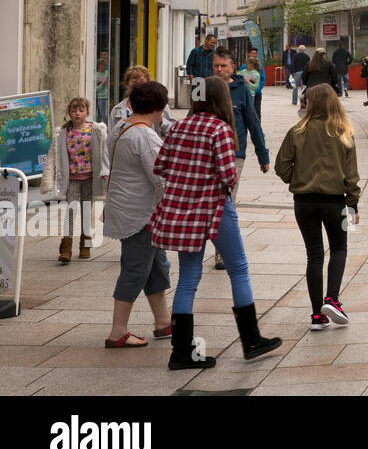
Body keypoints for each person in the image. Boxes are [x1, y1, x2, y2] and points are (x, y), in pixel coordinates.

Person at [151, 76, 282, 370]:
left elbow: (160, 165)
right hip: (214, 208)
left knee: (188, 277)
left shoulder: (178, 126)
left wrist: (185, 177)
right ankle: (251, 340)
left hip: (182, 209)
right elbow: (228, 175)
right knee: (238, 268)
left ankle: (181, 352)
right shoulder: (220, 129)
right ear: (221, 98)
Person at [275, 84, 360, 331]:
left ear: (309, 103)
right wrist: (353, 205)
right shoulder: (344, 132)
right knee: (339, 248)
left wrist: (298, 178)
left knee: (314, 254)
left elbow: (282, 167)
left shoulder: (297, 131)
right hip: (336, 202)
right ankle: (332, 299)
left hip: (304, 202)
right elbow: (351, 176)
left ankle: (316, 316)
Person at [102, 80, 172, 348]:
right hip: (140, 213)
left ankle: (163, 321)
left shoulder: (122, 127)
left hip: (127, 208)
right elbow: (160, 177)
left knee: (156, 266)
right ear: (160, 107)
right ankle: (117, 331)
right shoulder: (144, 136)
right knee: (135, 269)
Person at [212, 46, 271, 270]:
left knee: (226, 202)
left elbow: (253, 123)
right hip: (206, 154)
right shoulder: (203, 87)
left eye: (223, 66)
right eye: (216, 65)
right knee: (208, 203)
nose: (219, 69)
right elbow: (191, 118)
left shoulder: (242, 90)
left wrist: (262, 154)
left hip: (233, 154)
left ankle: (221, 253)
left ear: (232, 67)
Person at [42, 97, 109, 263]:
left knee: (87, 211)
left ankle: (85, 244)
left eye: (81, 110)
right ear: (69, 113)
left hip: (89, 179)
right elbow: (53, 157)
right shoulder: (63, 133)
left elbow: (104, 153)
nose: (77, 113)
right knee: (71, 211)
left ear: (87, 111)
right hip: (71, 179)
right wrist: (48, 180)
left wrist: (106, 172)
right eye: (73, 110)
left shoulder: (96, 130)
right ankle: (66, 247)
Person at [109, 65, 176, 139]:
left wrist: (161, 121)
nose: (138, 86)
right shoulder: (117, 110)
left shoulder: (159, 104)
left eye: (142, 82)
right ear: (127, 84)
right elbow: (111, 137)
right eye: (134, 81)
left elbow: (174, 131)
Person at [300, 47, 334, 113]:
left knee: (302, 98)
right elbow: (335, 77)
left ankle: (303, 110)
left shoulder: (309, 63)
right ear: (324, 55)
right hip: (326, 87)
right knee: (334, 100)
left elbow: (303, 76)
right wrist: (332, 84)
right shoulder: (328, 64)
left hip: (311, 87)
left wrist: (306, 83)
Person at [241, 50, 265, 122]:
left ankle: (258, 130)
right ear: (248, 54)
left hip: (256, 94)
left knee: (257, 112)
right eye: (252, 53)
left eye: (255, 53)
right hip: (245, 93)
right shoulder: (243, 67)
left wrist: (256, 90)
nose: (253, 55)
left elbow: (262, 80)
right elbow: (239, 78)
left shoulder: (260, 67)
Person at [95, 55, 110, 123]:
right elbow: (95, 89)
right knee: (101, 113)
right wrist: (102, 84)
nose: (104, 67)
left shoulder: (107, 73)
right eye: (102, 66)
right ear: (99, 66)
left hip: (107, 96)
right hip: (100, 97)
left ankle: (107, 126)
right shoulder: (96, 75)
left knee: (106, 114)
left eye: (105, 65)